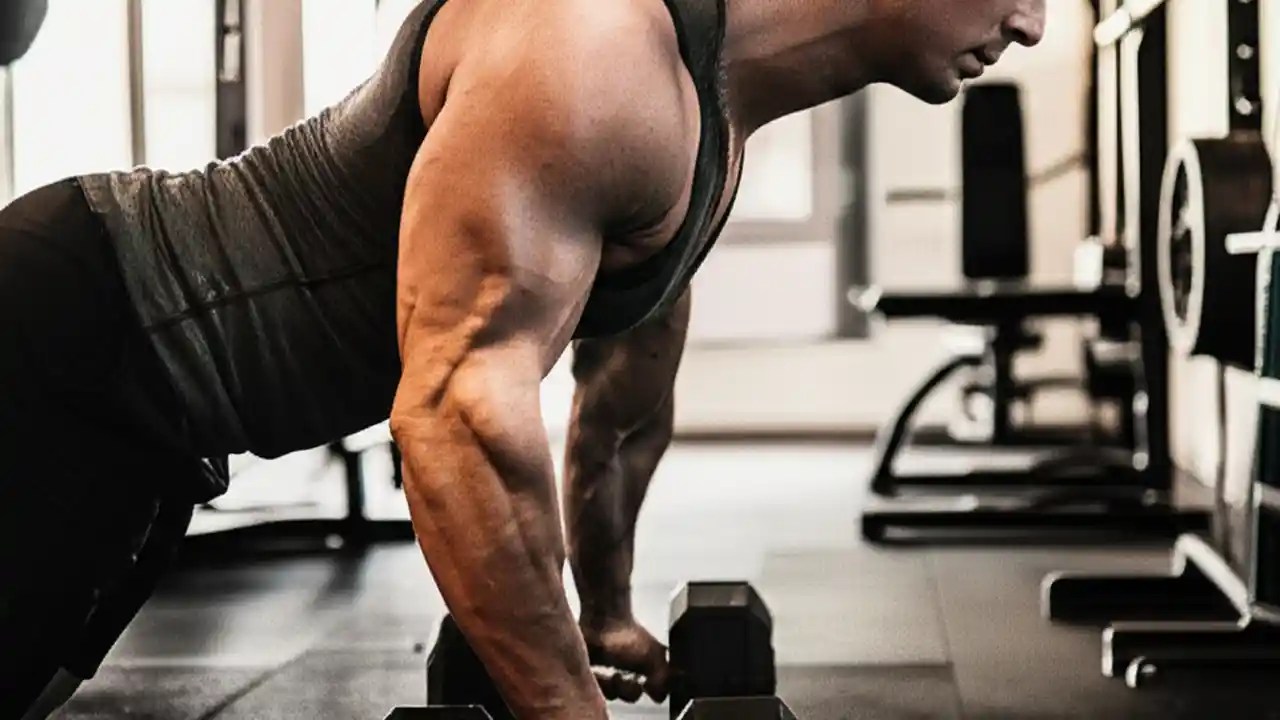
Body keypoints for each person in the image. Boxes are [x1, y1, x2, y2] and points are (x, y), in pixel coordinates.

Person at [0, 0, 1045, 717]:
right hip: (71, 332)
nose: (1031, 22)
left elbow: (622, 411)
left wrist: (602, 618)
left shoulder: (707, 127)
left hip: (155, 417)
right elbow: (454, 414)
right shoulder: (589, 49)